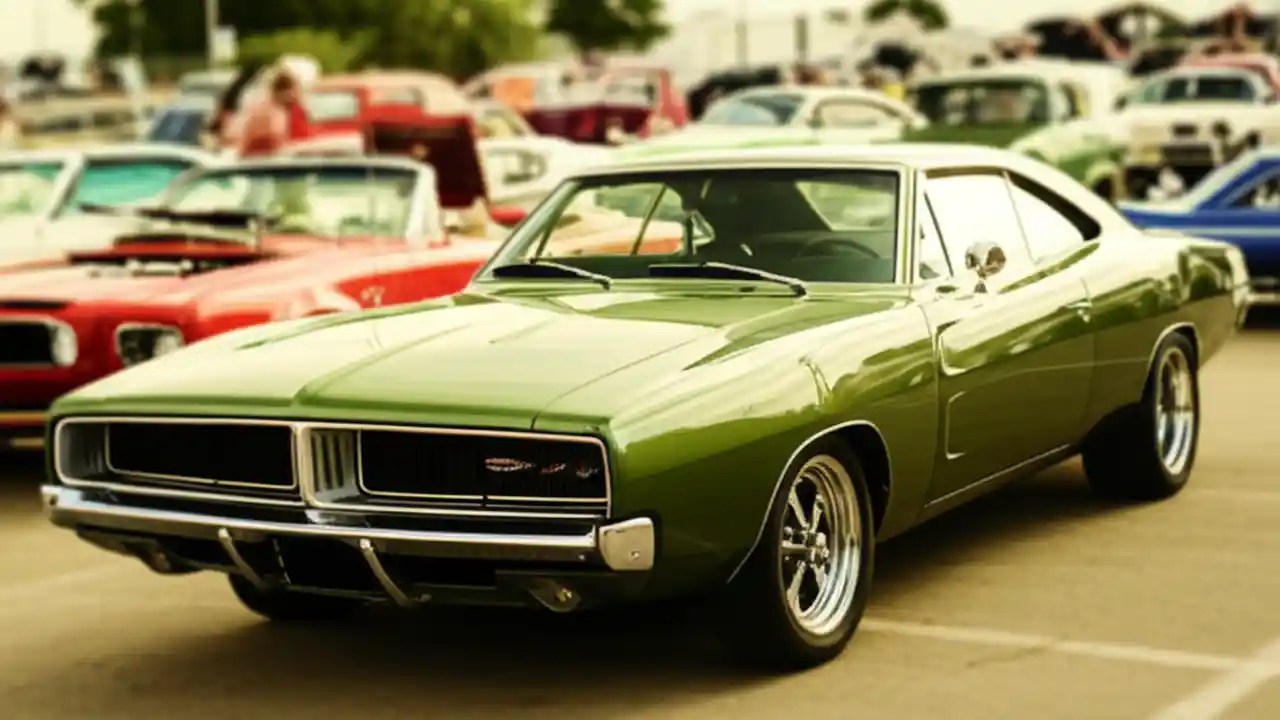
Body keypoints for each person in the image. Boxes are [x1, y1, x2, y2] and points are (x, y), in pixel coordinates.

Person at [235, 68, 312, 158]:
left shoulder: (271, 109)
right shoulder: (272, 113)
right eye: (296, 91)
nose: (297, 97)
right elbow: (274, 144)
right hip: (259, 160)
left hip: (257, 158)